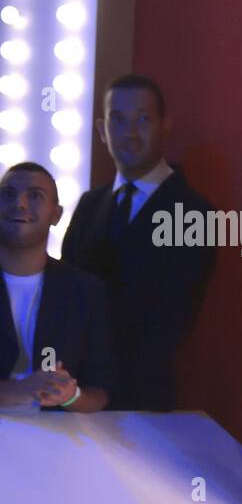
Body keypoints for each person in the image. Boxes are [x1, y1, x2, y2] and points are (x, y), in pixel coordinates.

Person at [60, 74, 215, 411]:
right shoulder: (89, 204)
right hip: (77, 398)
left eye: (143, 119)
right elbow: (66, 296)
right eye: (118, 120)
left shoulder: (194, 213)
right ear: (102, 130)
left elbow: (173, 319)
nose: (129, 133)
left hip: (143, 402)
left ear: (164, 125)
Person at [0, 162, 111, 412]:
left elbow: (100, 391)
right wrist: (18, 389)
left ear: (56, 214)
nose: (20, 203)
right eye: (7, 193)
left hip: (58, 441)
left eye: (35, 195)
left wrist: (70, 396)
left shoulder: (85, 291)